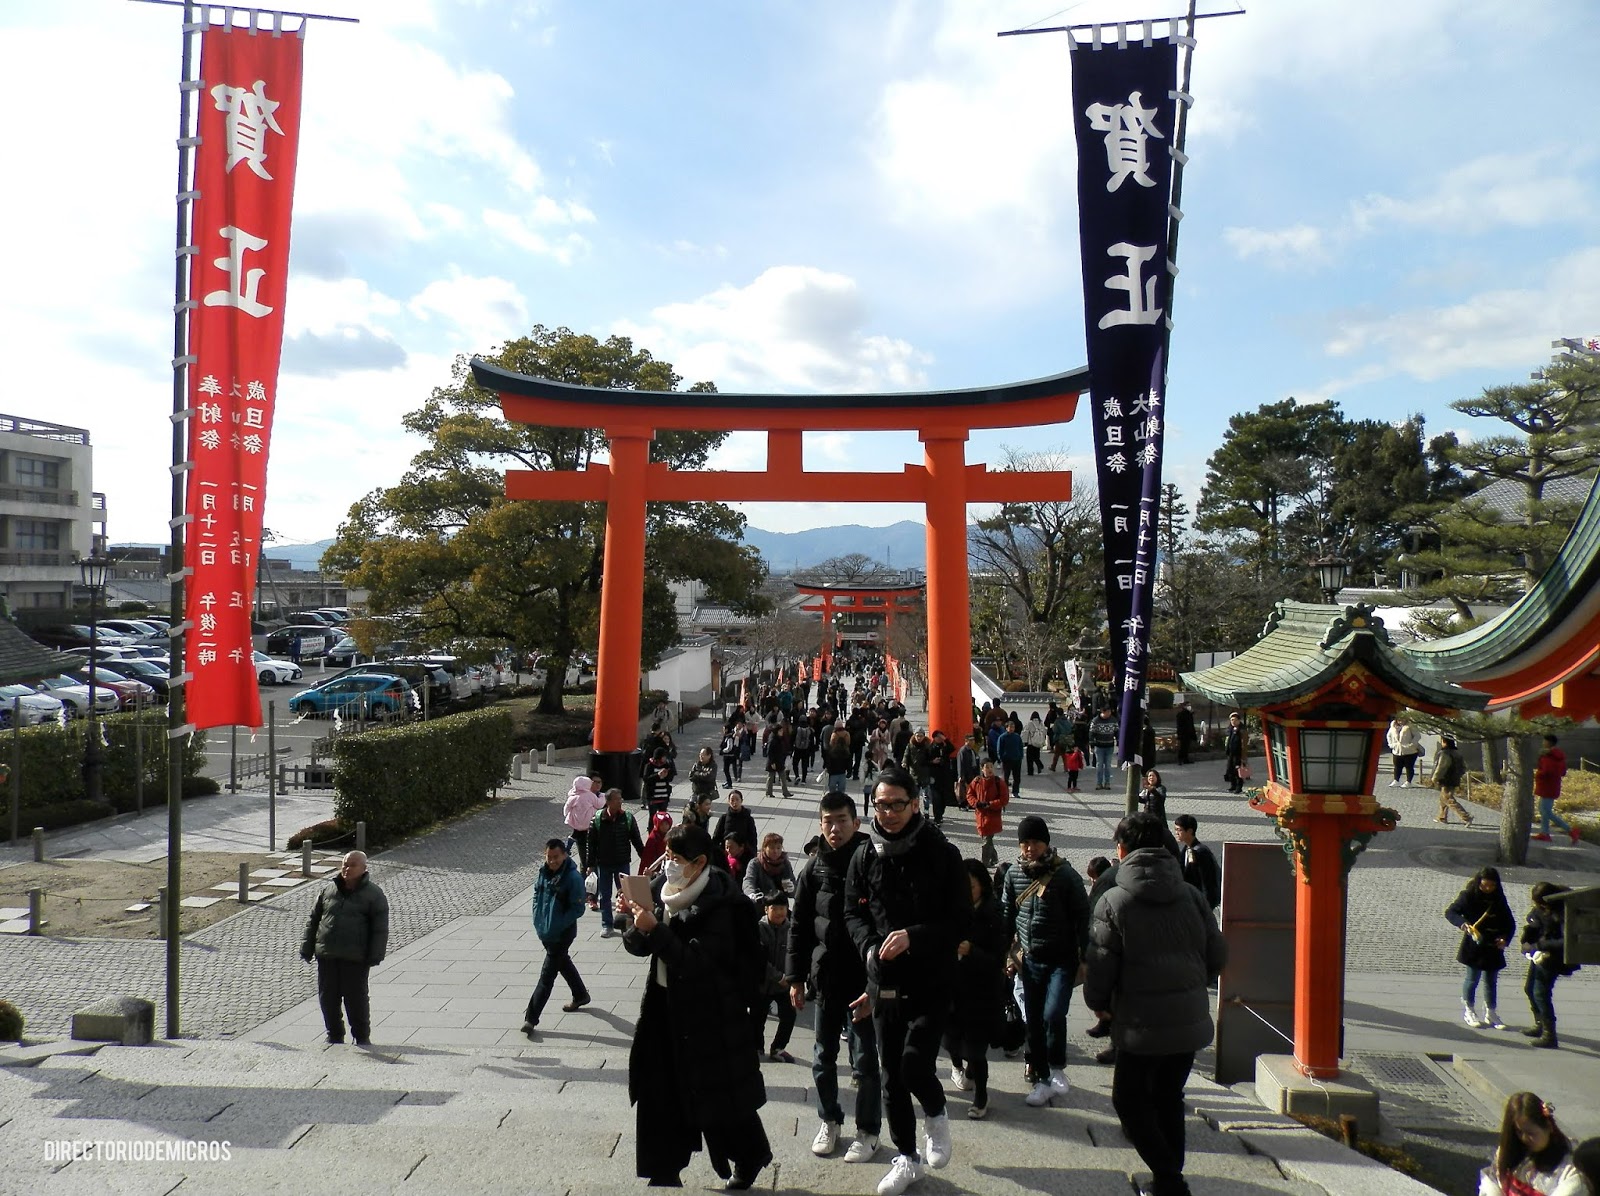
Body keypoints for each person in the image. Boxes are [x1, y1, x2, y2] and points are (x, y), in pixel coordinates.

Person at [621, 824, 772, 1189]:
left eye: (675, 858)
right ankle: (664, 1167)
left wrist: (654, 928)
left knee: (721, 1098)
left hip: (710, 1014)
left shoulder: (722, 902)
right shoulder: (663, 888)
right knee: (659, 1088)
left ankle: (749, 1157)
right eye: (667, 857)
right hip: (663, 1005)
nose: (668, 865)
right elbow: (640, 946)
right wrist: (634, 921)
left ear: (700, 862)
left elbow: (694, 962)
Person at [1084, 812, 1227, 1196]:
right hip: (1188, 1019)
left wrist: (1098, 1003)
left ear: (1122, 849)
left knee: (1128, 1100)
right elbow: (1217, 956)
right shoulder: (1191, 895)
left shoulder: (1114, 899)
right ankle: (1167, 1178)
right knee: (1168, 1096)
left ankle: (1169, 1177)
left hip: (1139, 1023)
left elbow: (1100, 964)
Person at [845, 764, 970, 1196]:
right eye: (882, 804)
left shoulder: (941, 852)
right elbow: (853, 912)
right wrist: (866, 948)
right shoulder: (865, 854)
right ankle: (907, 1157)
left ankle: (936, 1115)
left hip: (932, 979)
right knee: (890, 1076)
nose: (890, 812)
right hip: (885, 984)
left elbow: (959, 921)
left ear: (915, 804)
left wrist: (914, 937)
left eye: (898, 804)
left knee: (914, 1063)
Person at [785, 790, 883, 1167]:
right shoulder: (814, 866)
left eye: (842, 820)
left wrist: (878, 983)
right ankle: (829, 1120)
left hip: (862, 980)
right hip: (825, 977)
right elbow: (799, 925)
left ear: (856, 823)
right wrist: (795, 977)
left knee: (865, 1061)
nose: (834, 828)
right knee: (822, 1057)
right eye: (828, 821)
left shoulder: (872, 863)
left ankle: (868, 1130)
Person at [1001, 814, 1090, 1109]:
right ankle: (1040, 1078)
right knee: (1034, 1021)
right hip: (1031, 960)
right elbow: (1006, 915)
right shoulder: (1014, 874)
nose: (1029, 848)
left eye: (1035, 842)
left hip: (1062, 959)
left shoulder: (1066, 876)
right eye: (1024, 843)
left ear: (1046, 843)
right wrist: (1004, 953)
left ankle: (1057, 1067)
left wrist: (1085, 956)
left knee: (1054, 1013)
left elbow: (1082, 916)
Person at [300, 850, 390, 1046]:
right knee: (327, 998)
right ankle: (334, 1034)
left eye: (352, 865)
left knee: (356, 999)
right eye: (344, 864)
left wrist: (376, 954)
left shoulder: (374, 895)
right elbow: (314, 920)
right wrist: (307, 947)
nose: (346, 869)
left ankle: (361, 1036)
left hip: (355, 957)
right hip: (327, 955)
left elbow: (380, 928)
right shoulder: (328, 890)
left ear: (364, 868)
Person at [944, 858, 1009, 1120]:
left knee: (976, 1049)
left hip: (981, 992)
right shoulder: (950, 910)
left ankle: (981, 1095)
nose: (965, 892)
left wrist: (972, 952)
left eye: (970, 886)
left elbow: (997, 959)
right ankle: (962, 1068)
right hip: (952, 989)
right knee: (950, 1042)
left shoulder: (994, 914)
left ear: (982, 885)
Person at [522, 839, 590, 1037]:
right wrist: (538, 917)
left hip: (562, 933)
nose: (552, 861)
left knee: (547, 975)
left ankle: (530, 1018)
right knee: (563, 962)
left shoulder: (573, 877)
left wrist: (558, 923)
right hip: (546, 931)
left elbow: (578, 908)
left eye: (556, 857)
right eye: (549, 857)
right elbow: (537, 894)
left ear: (565, 855)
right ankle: (581, 995)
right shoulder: (543, 872)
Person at [1446, 866, 1516, 1030]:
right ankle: (1469, 1010)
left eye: (1491, 886)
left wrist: (1505, 938)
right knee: (1472, 978)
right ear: (1478, 883)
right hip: (1474, 943)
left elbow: (1509, 922)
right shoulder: (1468, 896)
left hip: (1493, 944)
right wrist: (1463, 924)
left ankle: (1491, 1012)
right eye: (1484, 885)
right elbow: (1451, 912)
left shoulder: (1499, 898)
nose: (1488, 889)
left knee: (1491, 980)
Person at [1478, 1091, 1585, 1195]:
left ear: (1549, 1126)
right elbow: (1492, 1181)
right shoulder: (1511, 1152)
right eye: (1519, 1132)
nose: (1524, 1138)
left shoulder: (1570, 1167)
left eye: (1531, 1133)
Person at [1521, 881, 1578, 1049]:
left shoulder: (1563, 912)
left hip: (1554, 958)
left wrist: (1541, 945)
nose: (1537, 906)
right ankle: (1540, 1023)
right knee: (1529, 988)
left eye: (1540, 903)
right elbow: (1534, 917)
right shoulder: (1543, 907)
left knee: (1541, 992)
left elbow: (1566, 940)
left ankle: (1549, 1034)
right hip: (1539, 955)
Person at [590, 788, 647, 938]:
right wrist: (590, 864)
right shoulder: (597, 819)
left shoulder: (627, 817)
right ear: (608, 802)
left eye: (621, 798)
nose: (620, 801)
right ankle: (607, 924)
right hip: (604, 863)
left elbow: (636, 840)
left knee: (626, 895)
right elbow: (592, 843)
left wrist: (645, 857)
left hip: (622, 862)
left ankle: (627, 923)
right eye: (617, 799)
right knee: (605, 895)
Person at [756, 894, 797, 1063]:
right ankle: (756, 1047)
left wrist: (792, 977)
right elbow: (757, 959)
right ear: (766, 909)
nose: (780, 912)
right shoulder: (758, 928)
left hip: (784, 984)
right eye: (775, 908)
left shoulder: (792, 929)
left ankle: (778, 1047)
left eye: (783, 908)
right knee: (757, 1017)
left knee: (789, 1014)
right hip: (762, 982)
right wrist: (777, 976)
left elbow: (796, 955)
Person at [966, 757, 1010, 869]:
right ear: (982, 769)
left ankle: (984, 864)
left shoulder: (999, 782)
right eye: (987, 767)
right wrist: (977, 803)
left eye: (991, 766)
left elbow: (1004, 799)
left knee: (986, 841)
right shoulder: (976, 781)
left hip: (992, 817)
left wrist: (990, 804)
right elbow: (969, 795)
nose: (990, 769)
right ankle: (994, 858)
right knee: (987, 839)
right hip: (980, 816)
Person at [1172, 815, 1222, 913]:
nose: (1176, 833)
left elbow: (1207, 881)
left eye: (1179, 830)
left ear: (1190, 831)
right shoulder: (1186, 850)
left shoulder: (1201, 852)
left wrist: (1206, 906)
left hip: (1199, 904)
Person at [1533, 735, 1577, 844]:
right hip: (1554, 785)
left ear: (1549, 742)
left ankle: (1570, 830)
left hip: (1546, 785)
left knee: (1546, 812)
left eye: (1544, 741)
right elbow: (1562, 772)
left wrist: (1538, 774)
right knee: (1543, 810)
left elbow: (1546, 771)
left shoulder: (1548, 756)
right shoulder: (1559, 757)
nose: (1543, 742)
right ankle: (1544, 833)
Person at [563, 774, 606, 880]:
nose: (597, 784)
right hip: (585, 829)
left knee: (593, 861)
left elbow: (567, 807)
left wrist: (566, 814)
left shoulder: (574, 795)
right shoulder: (590, 795)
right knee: (586, 861)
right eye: (594, 782)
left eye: (599, 782)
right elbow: (599, 804)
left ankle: (570, 842)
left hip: (588, 828)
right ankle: (587, 887)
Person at [1432, 734, 1474, 825]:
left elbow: (1441, 767)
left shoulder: (1445, 753)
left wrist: (1435, 778)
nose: (1441, 743)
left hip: (1446, 778)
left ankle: (1466, 817)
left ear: (1445, 742)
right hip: (1454, 778)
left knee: (1448, 799)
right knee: (1443, 798)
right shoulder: (1457, 753)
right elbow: (1464, 767)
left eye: (1442, 741)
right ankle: (1442, 817)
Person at [744, 832, 797, 904]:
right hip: (761, 903)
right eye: (772, 848)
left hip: (780, 905)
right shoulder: (755, 863)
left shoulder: (785, 863)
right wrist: (751, 894)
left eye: (778, 848)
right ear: (764, 848)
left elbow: (792, 883)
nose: (775, 851)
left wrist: (791, 889)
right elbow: (748, 880)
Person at [710, 789, 758, 856]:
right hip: (727, 854)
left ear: (741, 801)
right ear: (728, 802)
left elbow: (753, 839)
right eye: (732, 800)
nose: (734, 802)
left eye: (737, 800)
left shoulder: (748, 819)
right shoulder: (724, 818)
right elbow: (716, 838)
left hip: (743, 854)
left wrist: (753, 853)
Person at [1386, 714, 1421, 788]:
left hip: (1410, 751)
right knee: (1397, 766)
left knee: (1409, 767)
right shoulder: (1393, 726)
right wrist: (1391, 745)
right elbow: (1389, 735)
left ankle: (1408, 782)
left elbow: (1417, 735)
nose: (1400, 722)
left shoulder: (1410, 726)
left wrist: (1411, 744)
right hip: (1397, 750)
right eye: (1399, 720)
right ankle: (1396, 780)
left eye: (1402, 720)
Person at [1089, 709, 1119, 791]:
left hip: (1109, 745)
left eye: (1110, 712)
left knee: (1108, 765)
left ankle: (1107, 783)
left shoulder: (1113, 720)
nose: (1109, 713)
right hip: (1099, 746)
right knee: (1099, 765)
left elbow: (1117, 731)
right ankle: (1099, 783)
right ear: (1103, 712)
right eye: (1107, 712)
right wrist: (1092, 745)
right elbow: (1091, 733)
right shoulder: (1095, 721)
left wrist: (1118, 741)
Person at [643, 748, 677, 818]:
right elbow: (646, 779)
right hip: (653, 797)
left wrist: (667, 774)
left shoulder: (666, 765)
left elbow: (670, 779)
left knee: (663, 817)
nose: (665, 758)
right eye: (664, 756)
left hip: (663, 796)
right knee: (653, 817)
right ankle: (650, 829)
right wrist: (657, 775)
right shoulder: (649, 766)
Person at [995, 719, 1024, 797]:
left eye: (1013, 727)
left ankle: (1015, 792)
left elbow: (1021, 747)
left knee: (1017, 777)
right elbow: (999, 749)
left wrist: (1021, 756)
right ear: (1006, 728)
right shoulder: (1002, 737)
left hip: (1016, 759)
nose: (1011, 729)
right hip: (1006, 760)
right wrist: (1001, 758)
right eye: (1010, 727)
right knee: (1005, 778)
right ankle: (1004, 792)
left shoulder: (1017, 736)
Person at [765, 721, 794, 799]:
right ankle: (768, 792)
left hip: (780, 761)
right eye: (780, 731)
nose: (782, 732)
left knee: (783, 777)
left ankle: (785, 792)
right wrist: (772, 762)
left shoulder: (779, 739)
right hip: (773, 762)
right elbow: (769, 752)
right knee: (771, 777)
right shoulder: (773, 740)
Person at [1223, 711, 1247, 794]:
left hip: (1238, 754)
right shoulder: (1231, 729)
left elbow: (1244, 744)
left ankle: (1239, 787)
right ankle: (1232, 786)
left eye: (1235, 720)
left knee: (1238, 772)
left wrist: (1243, 757)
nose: (1233, 722)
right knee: (1230, 770)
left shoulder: (1242, 730)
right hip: (1231, 754)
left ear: (1239, 720)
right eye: (1231, 720)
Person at [1022, 712, 1048, 776]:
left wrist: (1025, 742)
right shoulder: (1041, 723)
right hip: (1038, 743)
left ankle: (1030, 771)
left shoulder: (1030, 723)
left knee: (1029, 758)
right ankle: (1039, 765)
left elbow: (1025, 733)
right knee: (1036, 756)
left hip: (1031, 743)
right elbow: (1044, 732)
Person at [1174, 701, 1196, 765]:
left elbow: (1191, 724)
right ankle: (1180, 759)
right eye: (1188, 705)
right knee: (1182, 747)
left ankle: (1186, 759)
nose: (1189, 706)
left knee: (1187, 747)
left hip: (1188, 733)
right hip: (1183, 733)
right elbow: (1179, 725)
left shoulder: (1189, 714)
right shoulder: (1181, 714)